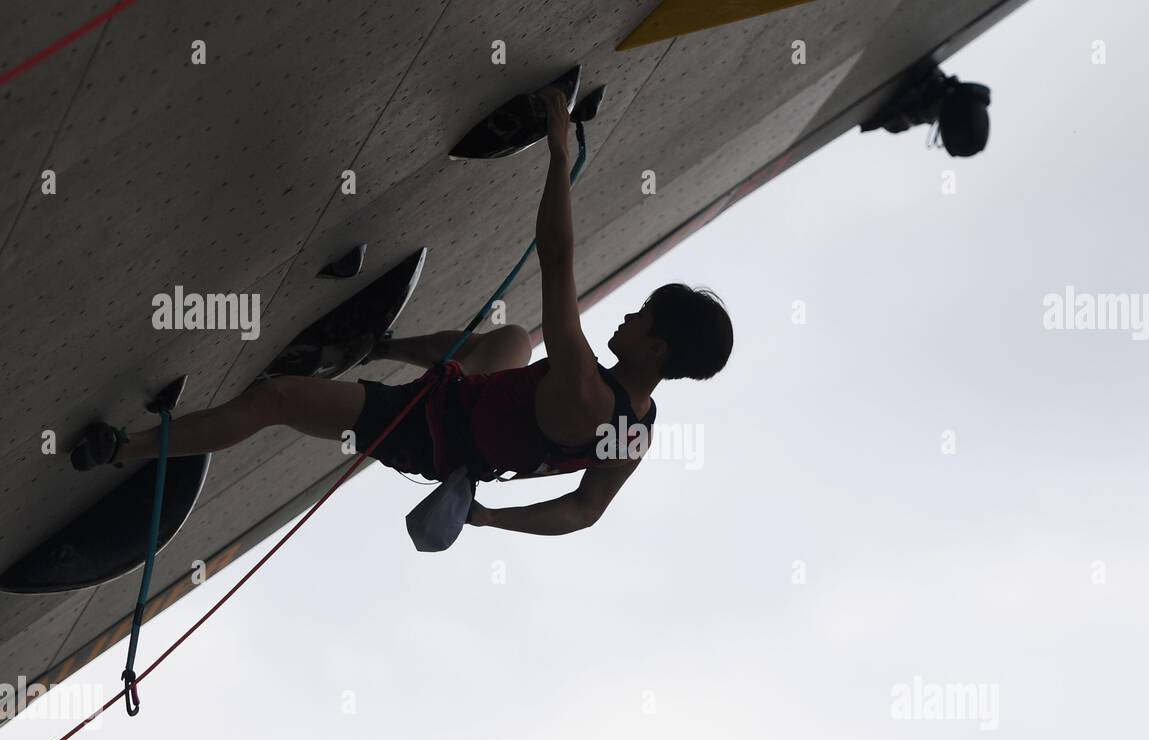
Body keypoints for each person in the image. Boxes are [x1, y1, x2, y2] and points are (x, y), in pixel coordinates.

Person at [70, 88, 733, 536]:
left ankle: (122, 449)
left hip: (423, 430)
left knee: (276, 399)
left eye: (643, 317)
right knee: (510, 337)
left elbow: (557, 258)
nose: (628, 319)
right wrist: (484, 516)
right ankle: (379, 344)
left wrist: (559, 151)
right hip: (474, 422)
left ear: (658, 348)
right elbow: (585, 510)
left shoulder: (585, 387)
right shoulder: (637, 432)